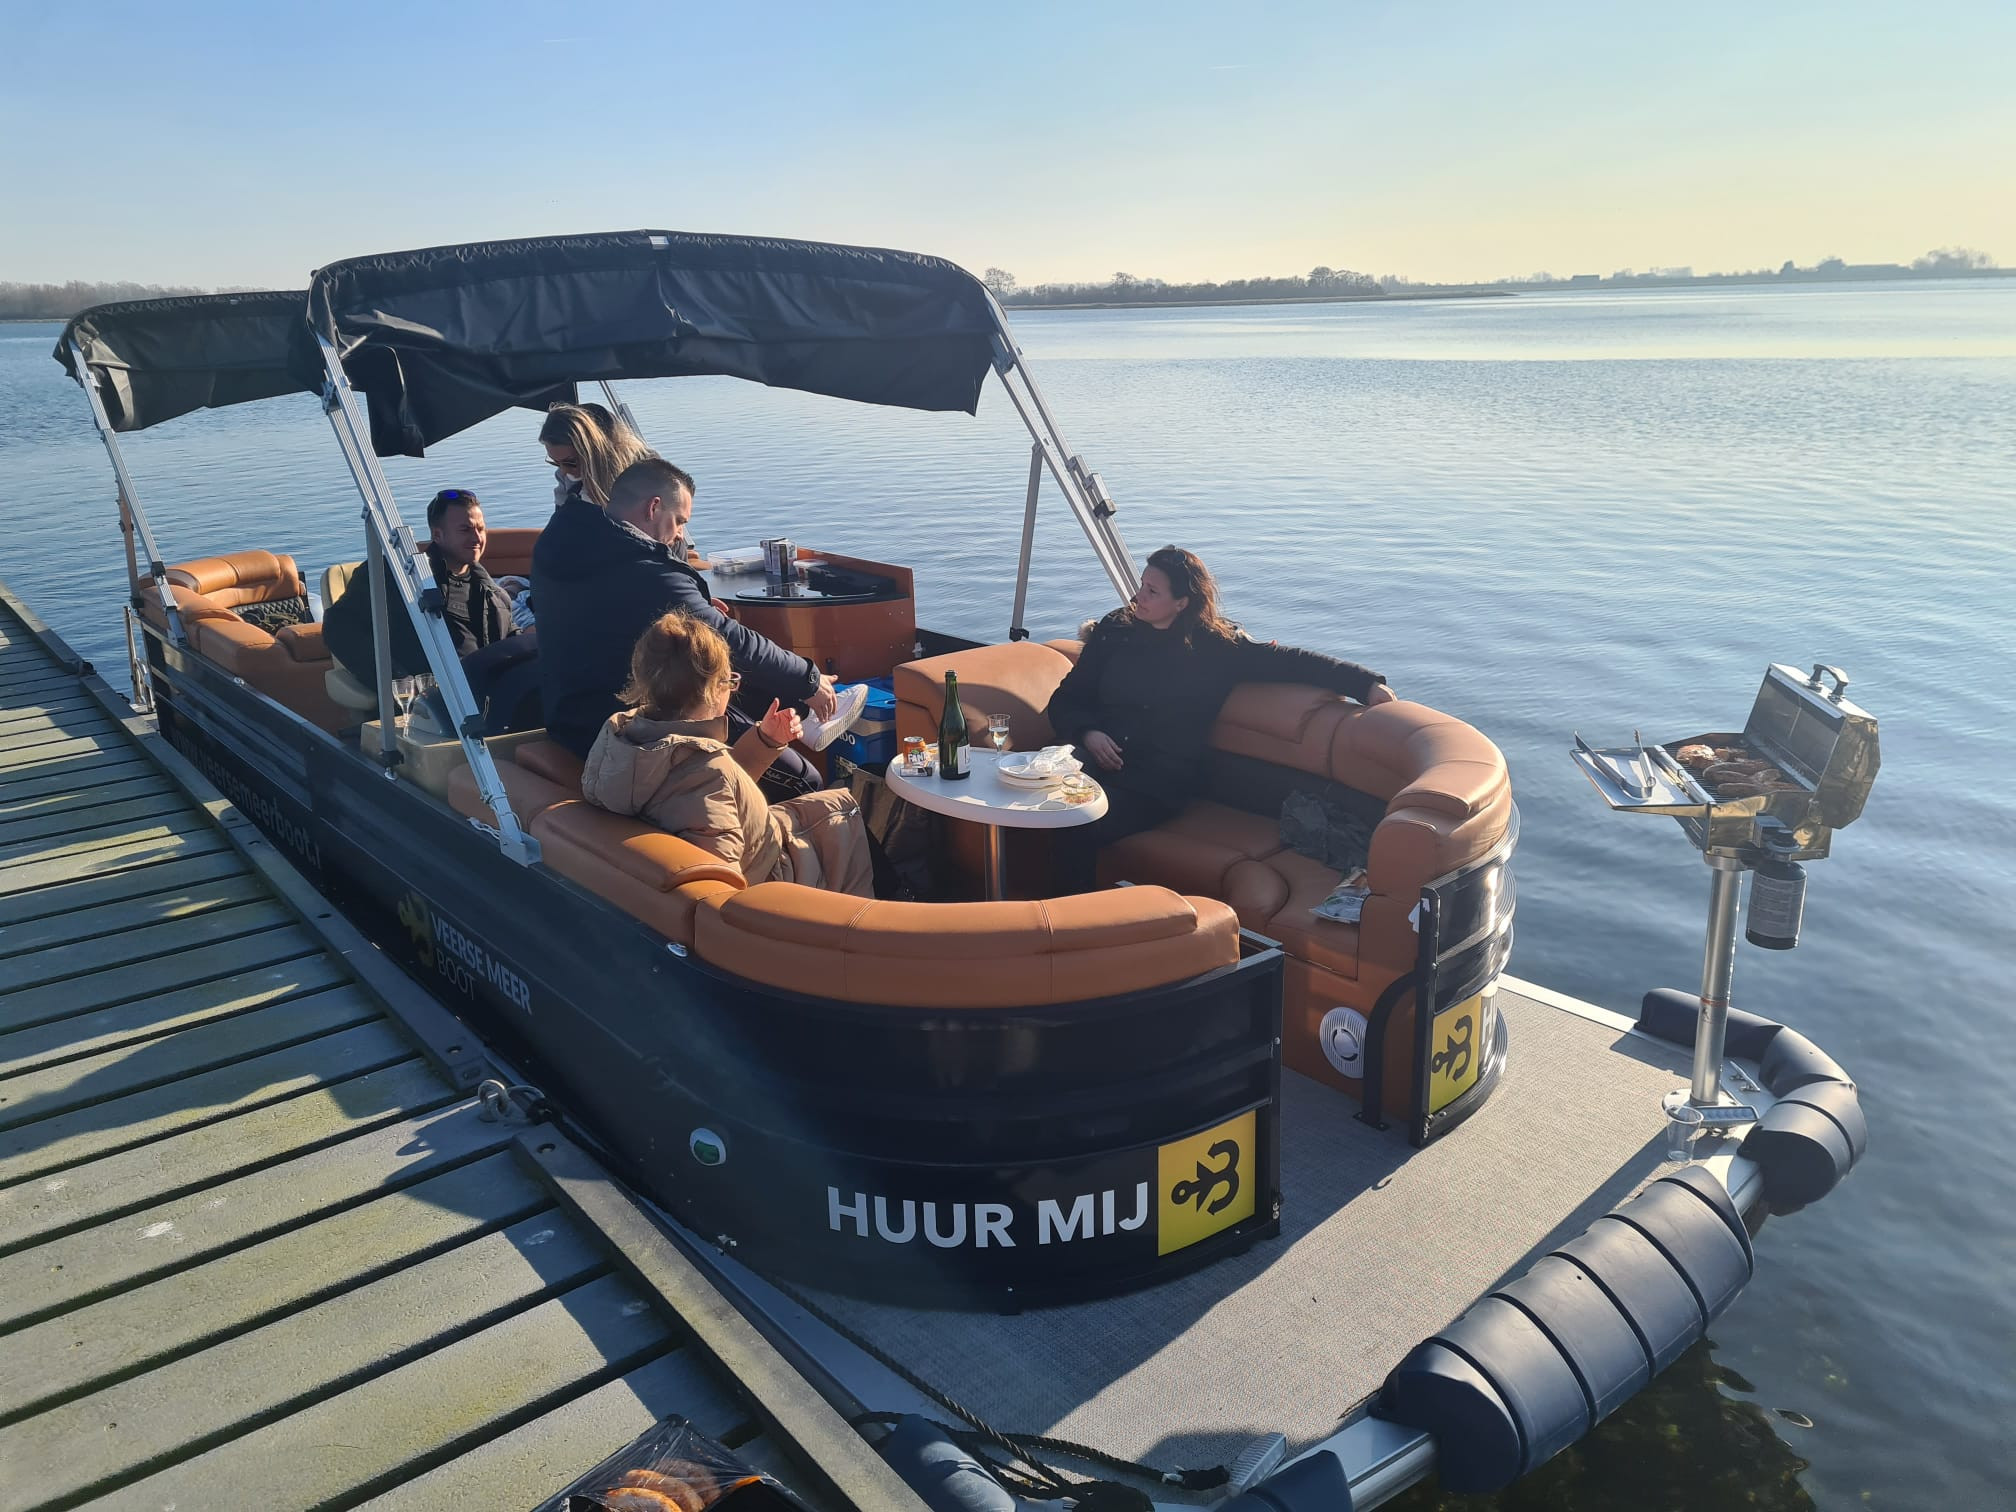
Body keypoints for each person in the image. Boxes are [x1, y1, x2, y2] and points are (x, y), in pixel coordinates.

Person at [1044, 545, 1396, 890]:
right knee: (1039, 804)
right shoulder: (1115, 630)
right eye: (1141, 585)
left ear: (1182, 603)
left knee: (1076, 822)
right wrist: (1088, 732)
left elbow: (1295, 662)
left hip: (1153, 782)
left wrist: (1365, 684)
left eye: (1152, 591)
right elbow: (1067, 699)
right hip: (1091, 761)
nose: (1138, 597)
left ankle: (1069, 918)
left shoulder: (1216, 647)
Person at [533, 456, 865, 794]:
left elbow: (619, 615)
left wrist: (698, 611)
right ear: (653, 508)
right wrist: (808, 678)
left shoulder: (565, 542)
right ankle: (809, 712)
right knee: (805, 780)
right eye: (679, 521)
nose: (679, 534)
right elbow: (731, 639)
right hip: (627, 727)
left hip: (571, 713)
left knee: (713, 664)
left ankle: (804, 716)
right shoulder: (645, 571)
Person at [581, 612, 873, 897]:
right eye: (730, 681)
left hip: (757, 853)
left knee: (832, 807)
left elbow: (704, 792)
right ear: (712, 690)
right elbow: (720, 896)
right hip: (780, 882)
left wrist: (765, 741)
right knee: (844, 813)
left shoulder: (621, 743)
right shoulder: (708, 776)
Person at [323, 488, 538, 729]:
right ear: (438, 534)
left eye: (481, 529)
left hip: (490, 706)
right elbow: (338, 627)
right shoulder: (397, 579)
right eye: (465, 530)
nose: (477, 538)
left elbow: (508, 639)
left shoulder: (491, 592)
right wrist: (399, 682)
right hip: (431, 716)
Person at [539, 402, 653, 511]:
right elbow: (561, 520)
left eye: (571, 462)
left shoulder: (647, 472)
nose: (564, 471)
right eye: (556, 463)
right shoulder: (567, 478)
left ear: (593, 451)